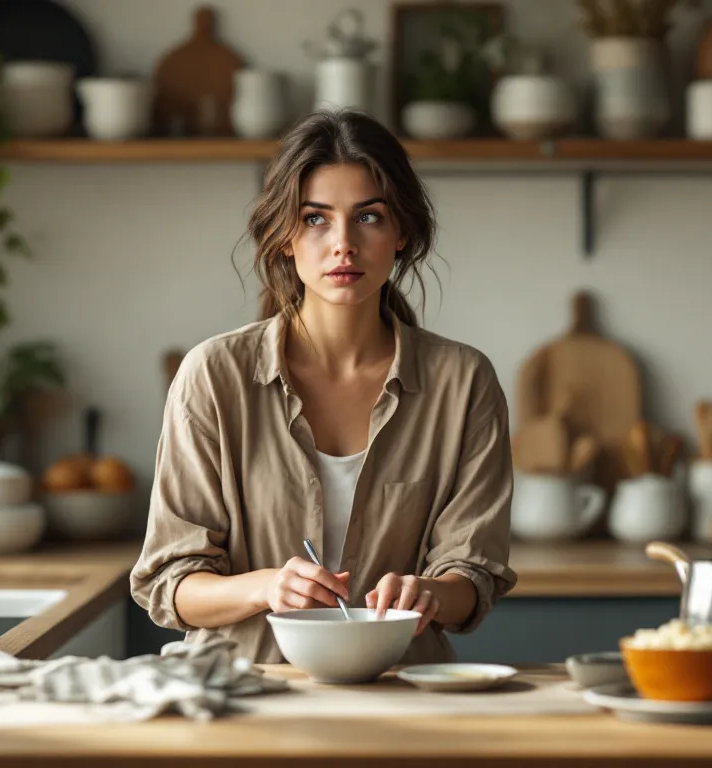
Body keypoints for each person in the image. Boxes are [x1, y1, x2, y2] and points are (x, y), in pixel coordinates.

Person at [130, 109, 516, 665]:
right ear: (285, 236)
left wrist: (429, 593)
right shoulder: (212, 376)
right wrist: (267, 587)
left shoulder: (464, 383)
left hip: (404, 693)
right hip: (244, 693)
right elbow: (170, 582)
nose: (343, 244)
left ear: (402, 232)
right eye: (315, 218)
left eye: (369, 217)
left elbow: (474, 576)